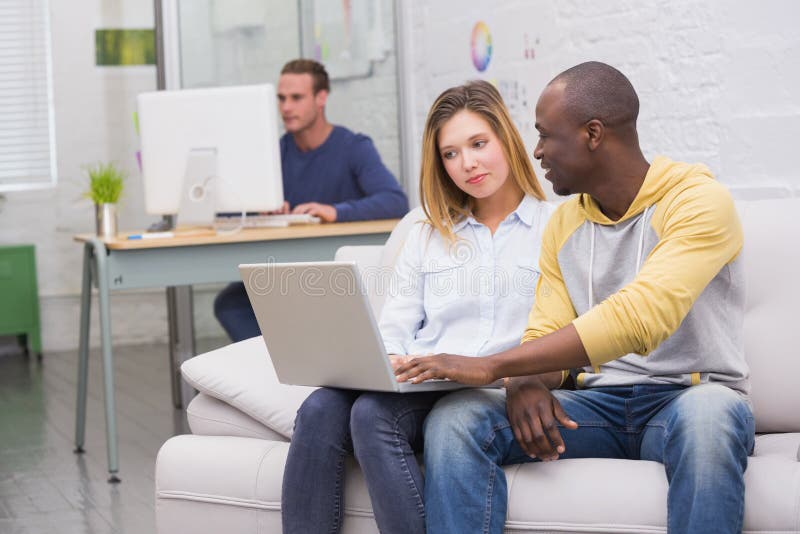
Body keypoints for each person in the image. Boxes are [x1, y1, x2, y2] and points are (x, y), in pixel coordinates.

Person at [395, 62, 754, 534]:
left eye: (546, 135)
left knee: (711, 419)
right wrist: (525, 381)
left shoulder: (699, 202)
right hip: (596, 406)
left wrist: (494, 367)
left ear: (593, 134)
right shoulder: (565, 224)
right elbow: (545, 329)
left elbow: (640, 318)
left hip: (689, 398)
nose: (537, 151)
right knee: (457, 418)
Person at [281, 80, 555, 534]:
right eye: (450, 153)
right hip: (424, 384)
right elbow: (397, 323)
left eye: (478, 144)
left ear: (506, 137)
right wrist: (385, 360)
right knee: (318, 409)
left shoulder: (554, 225)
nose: (467, 164)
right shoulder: (427, 234)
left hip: (490, 387)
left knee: (371, 416)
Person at [214, 59, 408, 342]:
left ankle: (296, 362)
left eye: (296, 98)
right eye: (281, 99)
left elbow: (395, 201)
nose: (286, 107)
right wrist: (260, 208)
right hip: (284, 271)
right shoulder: (275, 152)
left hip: (335, 276)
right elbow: (229, 209)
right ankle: (281, 368)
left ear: (321, 98)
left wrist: (335, 211)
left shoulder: (354, 147)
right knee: (230, 304)